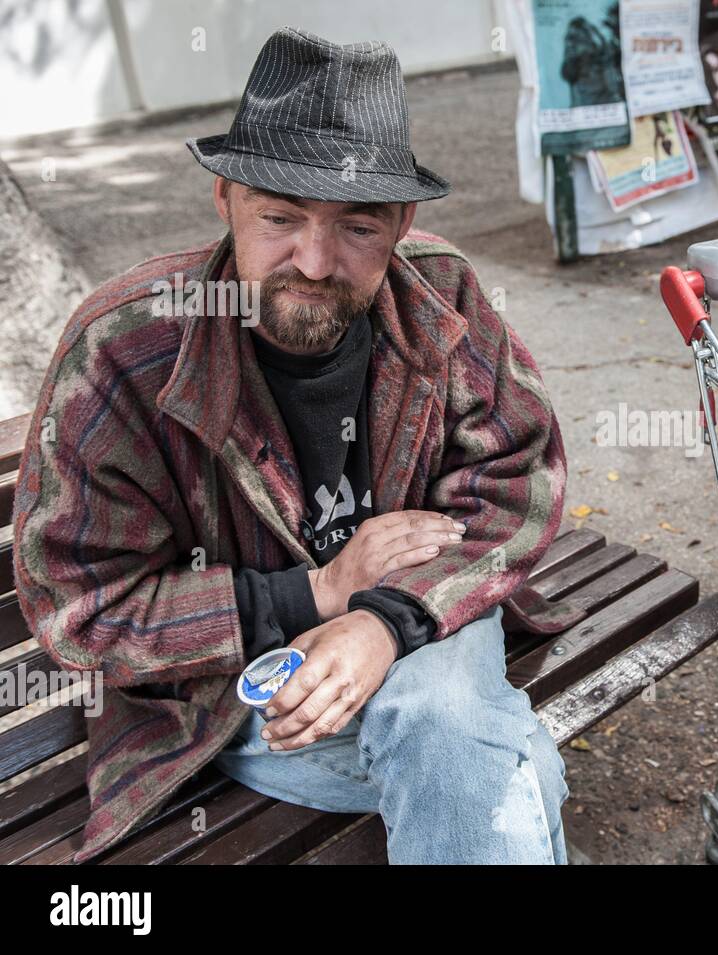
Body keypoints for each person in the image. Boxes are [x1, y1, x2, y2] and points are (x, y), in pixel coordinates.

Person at [12, 27, 569, 864]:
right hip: (230, 699)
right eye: (279, 217)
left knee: (442, 716)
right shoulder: (124, 352)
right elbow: (82, 609)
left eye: (356, 227)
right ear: (226, 199)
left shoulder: (440, 290)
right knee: (496, 755)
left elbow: (516, 476)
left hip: (426, 617)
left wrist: (384, 621)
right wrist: (317, 594)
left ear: (402, 222)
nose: (312, 260)